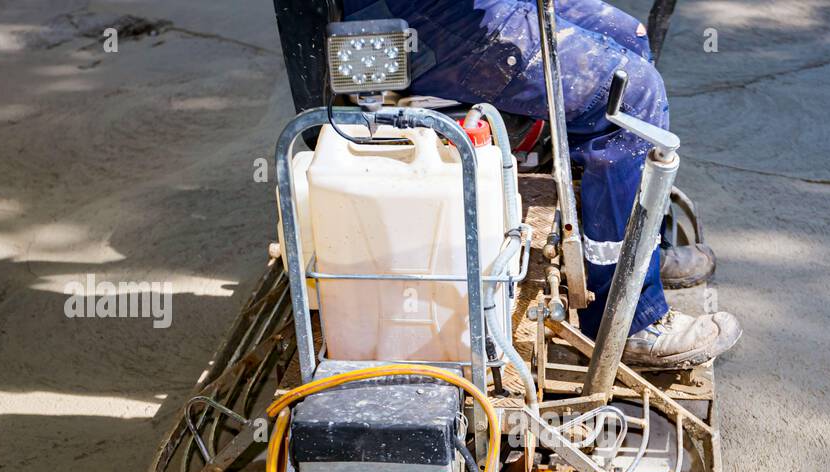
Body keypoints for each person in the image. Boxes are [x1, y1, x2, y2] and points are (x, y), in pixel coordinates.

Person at [272, 0, 740, 369]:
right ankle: (631, 320)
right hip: (422, 20)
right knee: (632, 97)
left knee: (629, 39)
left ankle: (638, 259)